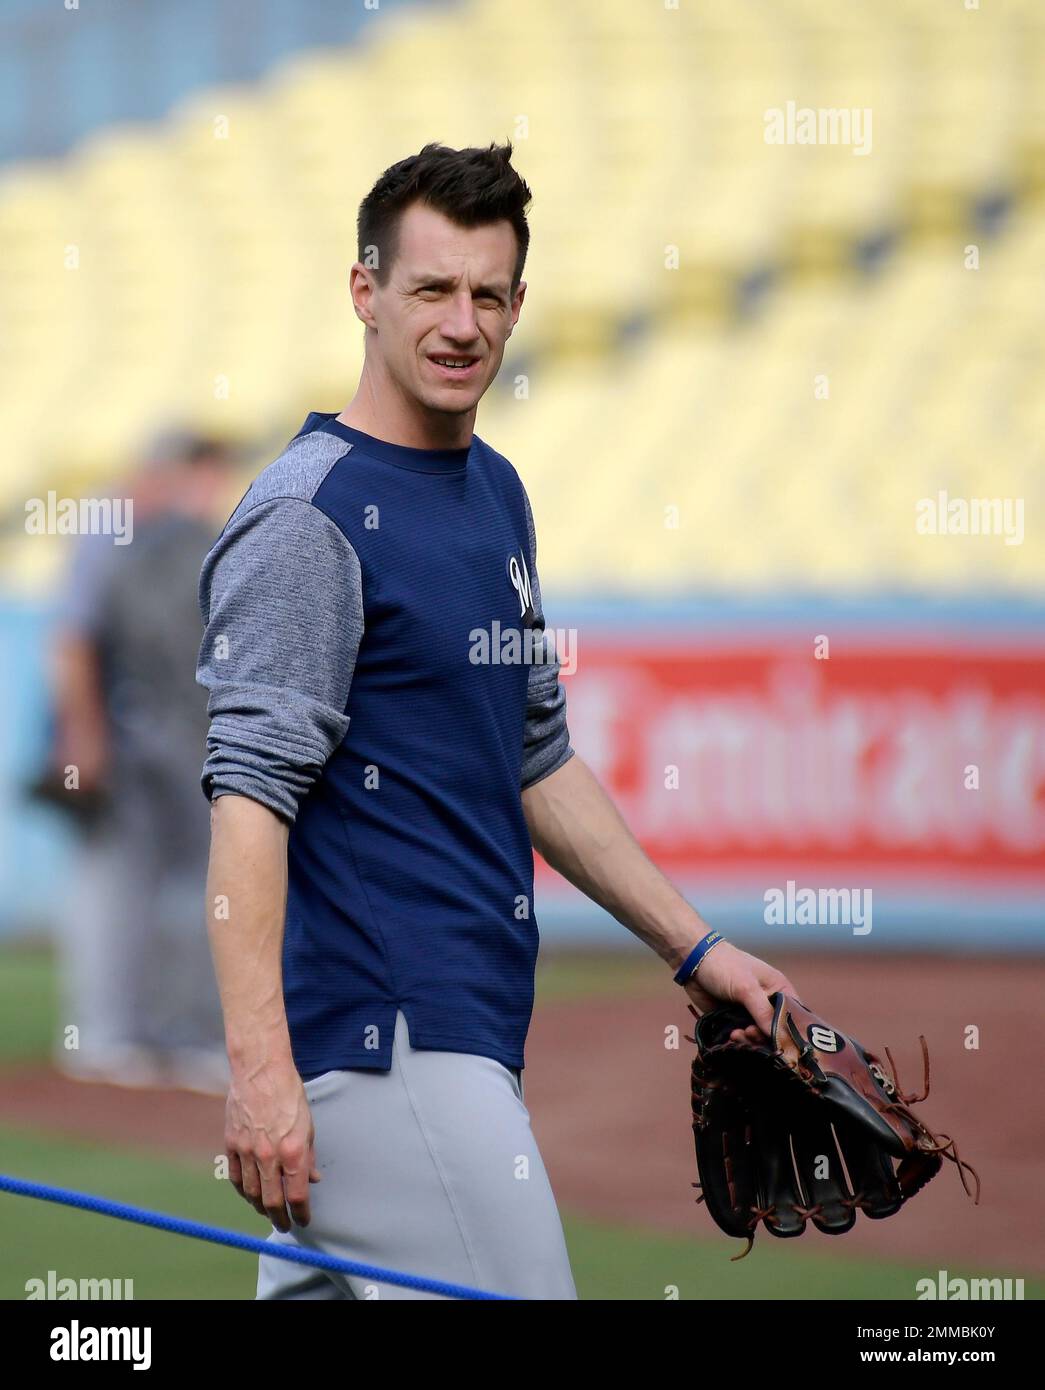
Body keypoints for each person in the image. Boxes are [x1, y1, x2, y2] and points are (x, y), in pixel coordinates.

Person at [196, 142, 797, 1300]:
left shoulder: (495, 491)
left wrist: (698, 947)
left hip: (445, 1040)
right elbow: (247, 807)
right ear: (364, 292)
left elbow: (537, 755)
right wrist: (260, 1072)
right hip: (390, 1049)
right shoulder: (306, 518)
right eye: (431, 288)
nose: (461, 322)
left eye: (487, 294)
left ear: (519, 306)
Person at [50, 432, 236, 1092]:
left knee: (190, 886)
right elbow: (73, 641)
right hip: (129, 735)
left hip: (186, 738)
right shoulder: (115, 529)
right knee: (119, 886)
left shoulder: (200, 535)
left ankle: (174, 1034)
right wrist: (84, 736)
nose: (209, 485)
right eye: (202, 470)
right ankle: (108, 1033)